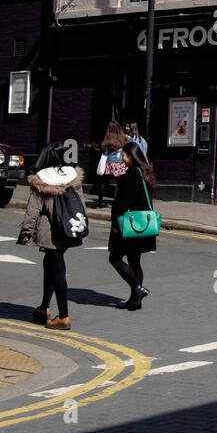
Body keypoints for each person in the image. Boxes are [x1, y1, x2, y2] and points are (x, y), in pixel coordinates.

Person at [17, 143, 86, 329]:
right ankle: (44, 307)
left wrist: (25, 233)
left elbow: (33, 210)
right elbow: (81, 205)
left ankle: (64, 317)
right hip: (69, 229)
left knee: (58, 271)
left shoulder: (42, 179)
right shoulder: (72, 175)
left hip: (51, 232)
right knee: (50, 265)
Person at [109, 141, 158, 310]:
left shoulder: (132, 174)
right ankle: (135, 300)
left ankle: (138, 289)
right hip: (143, 224)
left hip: (129, 225)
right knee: (134, 262)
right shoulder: (145, 173)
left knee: (114, 258)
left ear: (131, 156)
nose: (122, 158)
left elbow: (123, 202)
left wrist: (116, 225)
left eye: (124, 155)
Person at [96, 120, 129, 208]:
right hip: (120, 164)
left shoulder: (108, 138)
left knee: (102, 182)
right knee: (120, 184)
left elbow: (105, 153)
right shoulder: (124, 138)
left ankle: (100, 202)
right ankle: (119, 202)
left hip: (109, 164)